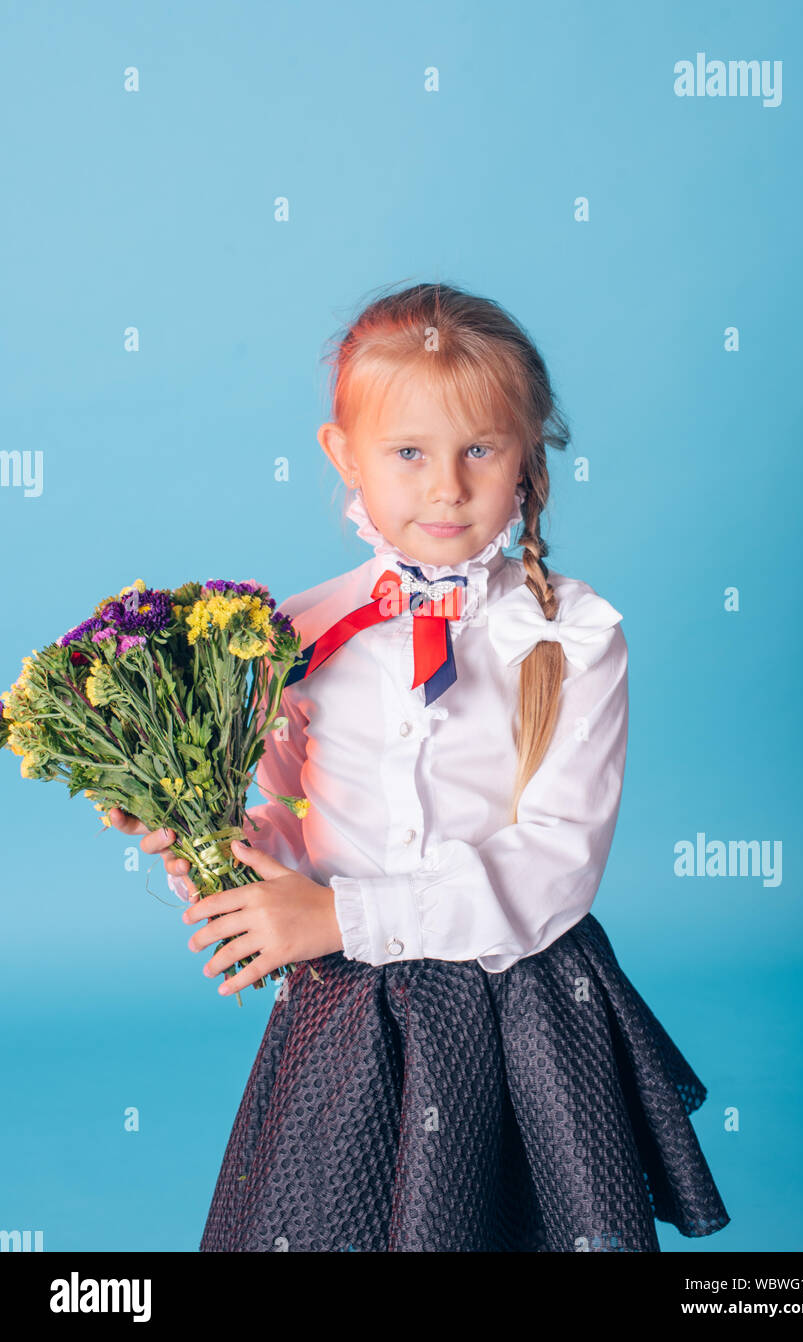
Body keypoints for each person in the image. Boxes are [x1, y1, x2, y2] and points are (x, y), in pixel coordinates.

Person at [111, 281, 730, 1253]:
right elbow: (290, 815)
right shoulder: (294, 634)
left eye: (478, 449)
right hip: (350, 1008)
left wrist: (342, 917)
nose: (445, 485)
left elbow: (555, 865)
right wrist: (204, 840)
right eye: (408, 452)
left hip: (520, 1006)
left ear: (526, 455)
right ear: (342, 454)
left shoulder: (572, 636)